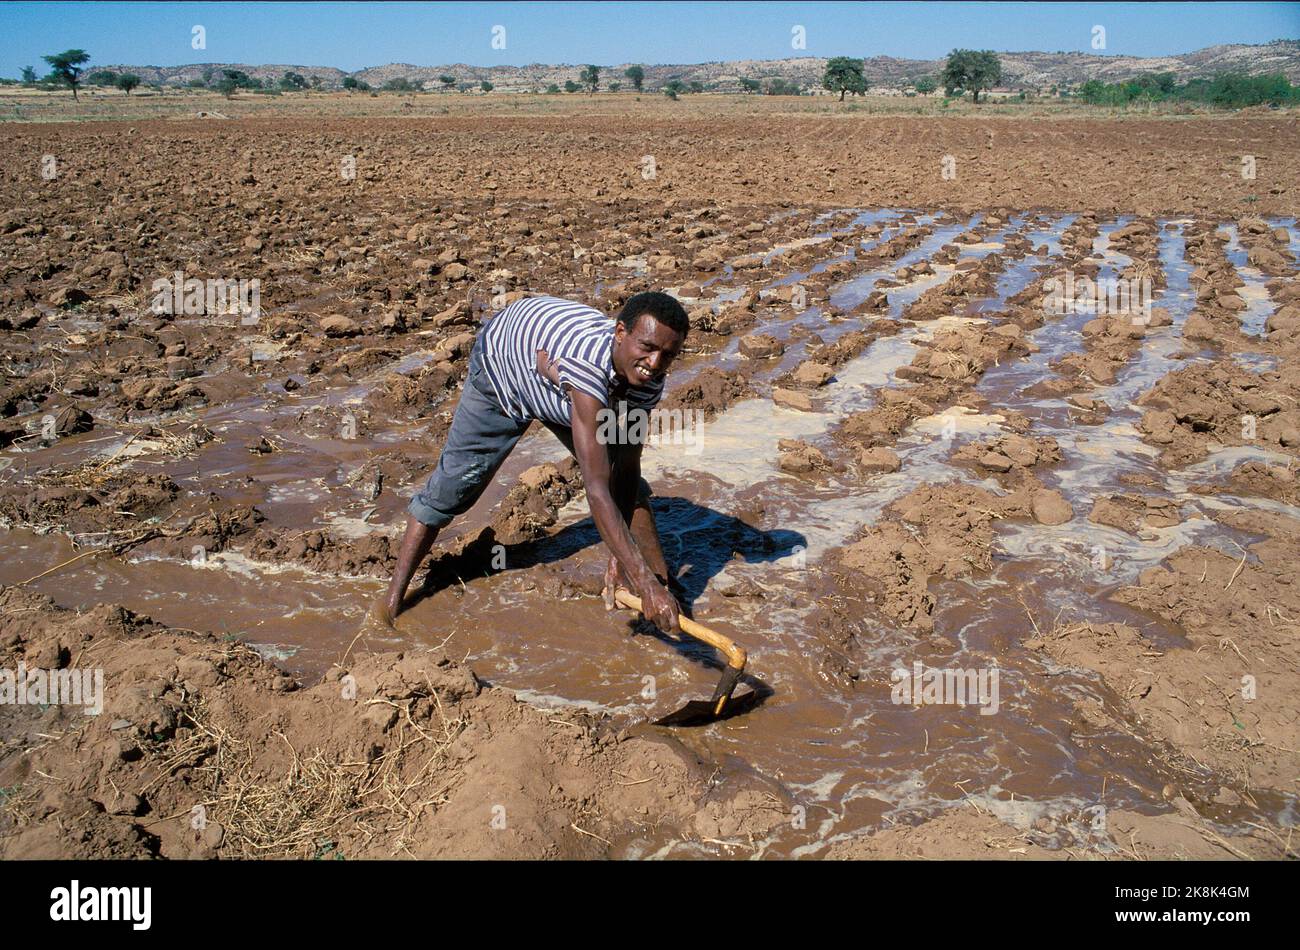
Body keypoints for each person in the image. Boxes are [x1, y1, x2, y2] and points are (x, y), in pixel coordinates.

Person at [371, 291, 689, 634]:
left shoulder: (647, 382)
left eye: (667, 355)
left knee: (624, 479)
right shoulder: (586, 370)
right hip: (505, 368)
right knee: (453, 489)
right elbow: (596, 490)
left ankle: (668, 589)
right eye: (647, 348)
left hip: (555, 378)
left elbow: (625, 472)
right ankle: (391, 602)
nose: (655, 363)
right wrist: (645, 586)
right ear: (620, 333)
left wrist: (623, 564)